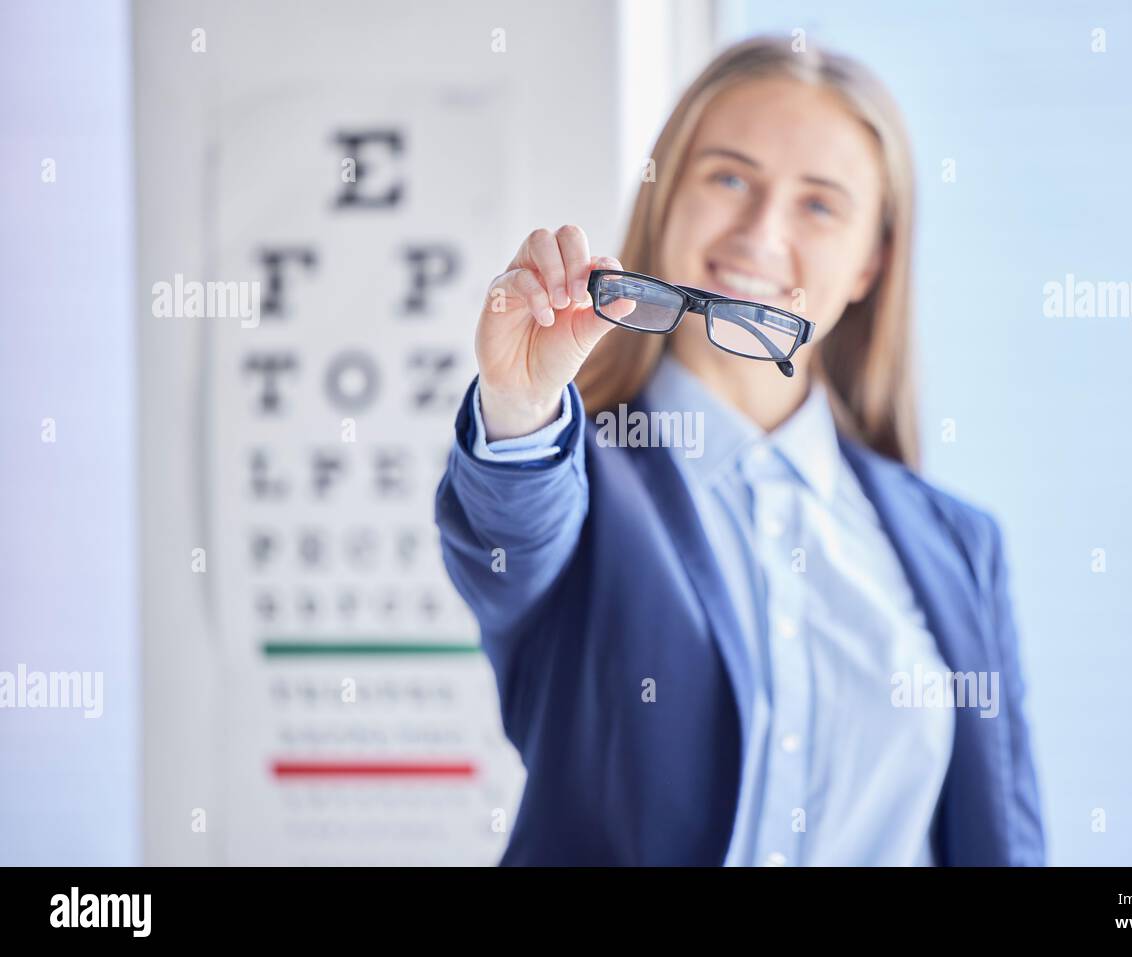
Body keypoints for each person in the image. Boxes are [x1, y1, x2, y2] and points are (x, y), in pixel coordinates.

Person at [435, 36, 1045, 866]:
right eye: (728, 177)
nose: (760, 232)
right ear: (665, 199)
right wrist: (521, 400)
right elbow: (515, 534)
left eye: (819, 204)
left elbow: (1004, 841)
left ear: (871, 262)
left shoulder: (960, 548)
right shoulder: (578, 476)